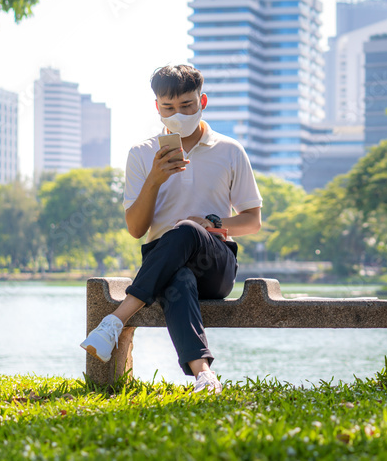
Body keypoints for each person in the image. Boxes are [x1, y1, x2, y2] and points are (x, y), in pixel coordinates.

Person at [80, 64, 262, 394]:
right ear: (157, 107)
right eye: (168, 107)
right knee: (178, 278)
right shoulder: (141, 154)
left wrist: (213, 224)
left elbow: (252, 220)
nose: (177, 114)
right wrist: (154, 179)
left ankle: (115, 321)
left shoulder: (229, 150)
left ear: (202, 101)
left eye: (186, 106)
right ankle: (204, 375)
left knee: (190, 229)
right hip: (162, 264)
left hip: (215, 261)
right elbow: (136, 229)